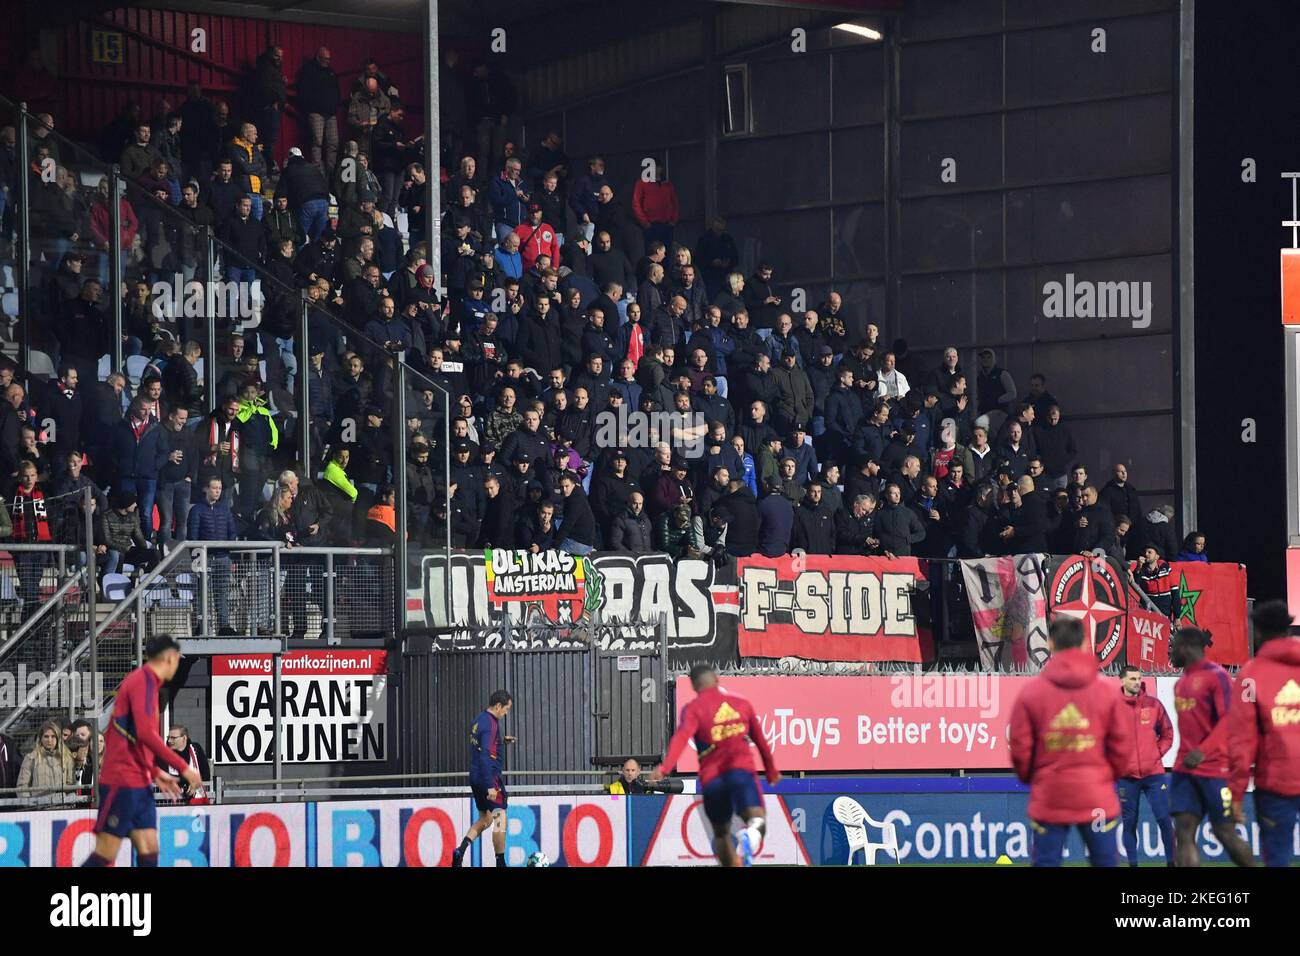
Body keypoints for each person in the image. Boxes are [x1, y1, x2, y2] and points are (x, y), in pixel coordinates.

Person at [1008, 617, 1131, 866]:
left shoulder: (1032, 693)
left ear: (1050, 644)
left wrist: (1035, 777)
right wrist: (1106, 776)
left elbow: (1020, 748)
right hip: (1095, 793)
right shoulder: (1106, 691)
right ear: (1086, 643)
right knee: (1106, 861)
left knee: (1046, 862)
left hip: (1051, 793)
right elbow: (1123, 745)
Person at [81, 635, 202, 867]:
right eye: (177, 659)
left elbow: (135, 738)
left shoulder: (149, 684)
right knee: (106, 853)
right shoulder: (141, 682)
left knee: (149, 848)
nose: (177, 665)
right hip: (122, 782)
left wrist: (154, 771)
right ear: (169, 658)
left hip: (139, 781)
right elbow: (146, 734)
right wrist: (184, 768)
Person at [647, 665, 780, 867]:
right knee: (756, 820)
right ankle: (750, 836)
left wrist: (665, 768)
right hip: (740, 771)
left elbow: (681, 737)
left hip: (713, 780)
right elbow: (760, 740)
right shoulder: (741, 704)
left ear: (693, 685)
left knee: (721, 833)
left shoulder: (693, 709)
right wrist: (770, 771)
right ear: (717, 679)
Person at [1168, 626, 1255, 867]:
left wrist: (1203, 751)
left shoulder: (1217, 676)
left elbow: (1229, 719)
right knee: (1183, 833)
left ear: (1185, 647)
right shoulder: (1181, 683)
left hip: (1215, 769)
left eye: (1173, 646)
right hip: (1184, 769)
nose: (1171, 652)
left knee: (1224, 831)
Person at [1228, 600, 1300, 867]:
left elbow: (1241, 742)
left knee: (1278, 859)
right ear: (1288, 627)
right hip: (1277, 784)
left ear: (1257, 632)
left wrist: (1236, 794)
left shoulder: (1251, 674)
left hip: (1276, 784)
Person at [1114, 664, 1176, 867]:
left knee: (1165, 820)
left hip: (1154, 775)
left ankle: (1172, 864)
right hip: (1126, 777)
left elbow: (1168, 733)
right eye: (1132, 678)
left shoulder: (1153, 705)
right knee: (1129, 824)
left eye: (1139, 678)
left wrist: (1155, 754)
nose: (1137, 682)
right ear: (1122, 680)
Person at [451, 689, 516, 868]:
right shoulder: (491, 723)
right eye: (506, 709)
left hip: (475, 776)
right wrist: (490, 785)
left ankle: (460, 850)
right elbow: (486, 754)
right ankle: (500, 862)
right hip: (489, 777)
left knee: (485, 819)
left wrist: (501, 741)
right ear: (498, 705)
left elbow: (483, 744)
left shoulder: (479, 719)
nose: (506, 713)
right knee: (500, 816)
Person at [16, 721, 74, 798]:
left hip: (61, 807)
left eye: (53, 736)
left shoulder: (66, 757)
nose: (49, 740)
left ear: (58, 738)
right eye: (46, 736)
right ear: (41, 738)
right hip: (38, 807)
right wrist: (29, 803)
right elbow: (22, 786)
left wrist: (68, 801)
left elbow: (71, 785)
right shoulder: (31, 758)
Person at [161, 726, 210, 804]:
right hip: (169, 802)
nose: (169, 740)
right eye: (168, 737)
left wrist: (195, 784)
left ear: (184, 738)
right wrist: (188, 782)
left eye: (173, 738)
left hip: (194, 801)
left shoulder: (196, 749)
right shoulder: (163, 754)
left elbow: (205, 774)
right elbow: (165, 777)